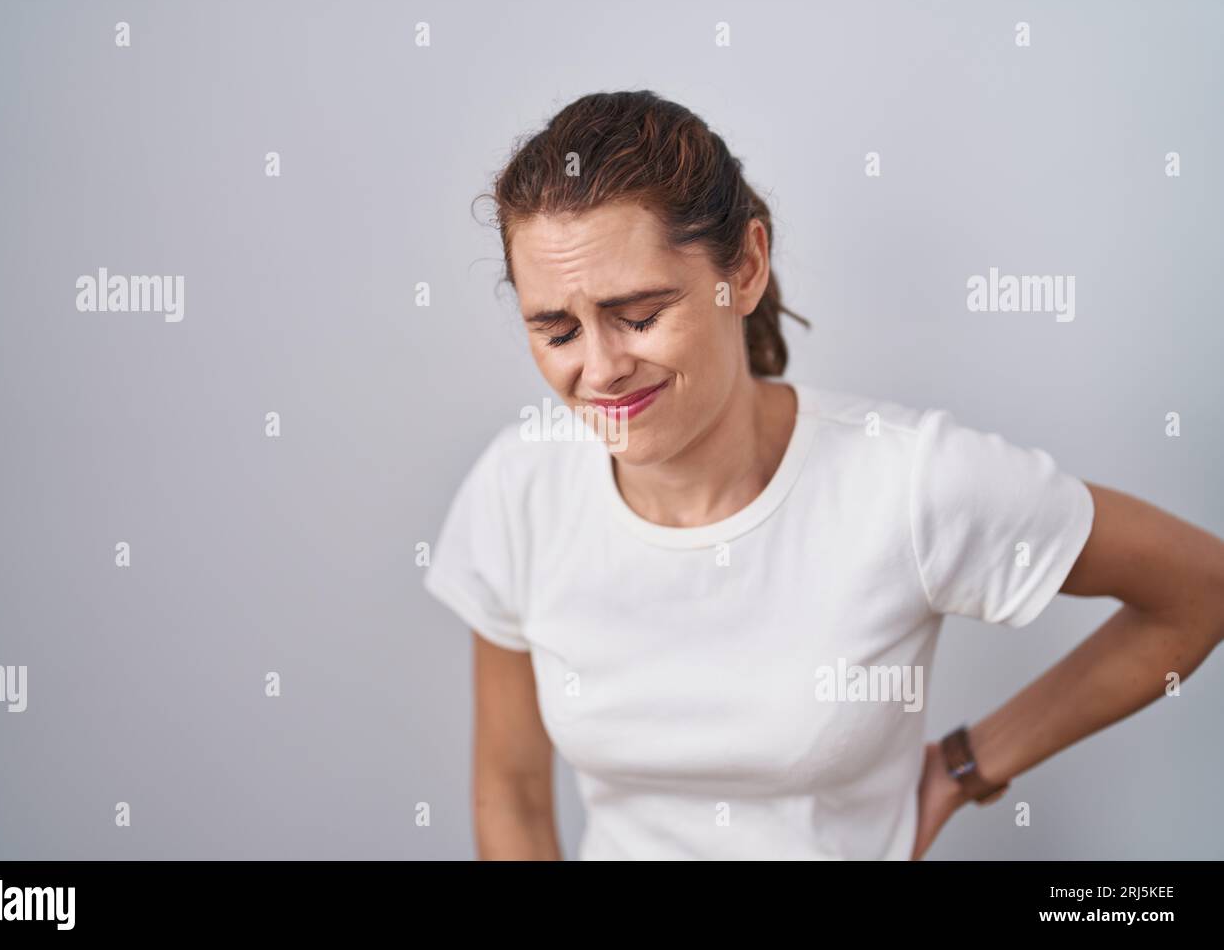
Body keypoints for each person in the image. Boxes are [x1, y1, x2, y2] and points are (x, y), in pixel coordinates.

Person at [423, 90, 1224, 860]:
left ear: (748, 264)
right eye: (556, 329)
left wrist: (966, 768)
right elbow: (514, 792)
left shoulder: (910, 483)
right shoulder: (518, 491)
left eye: (638, 316)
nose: (600, 370)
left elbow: (1200, 588)